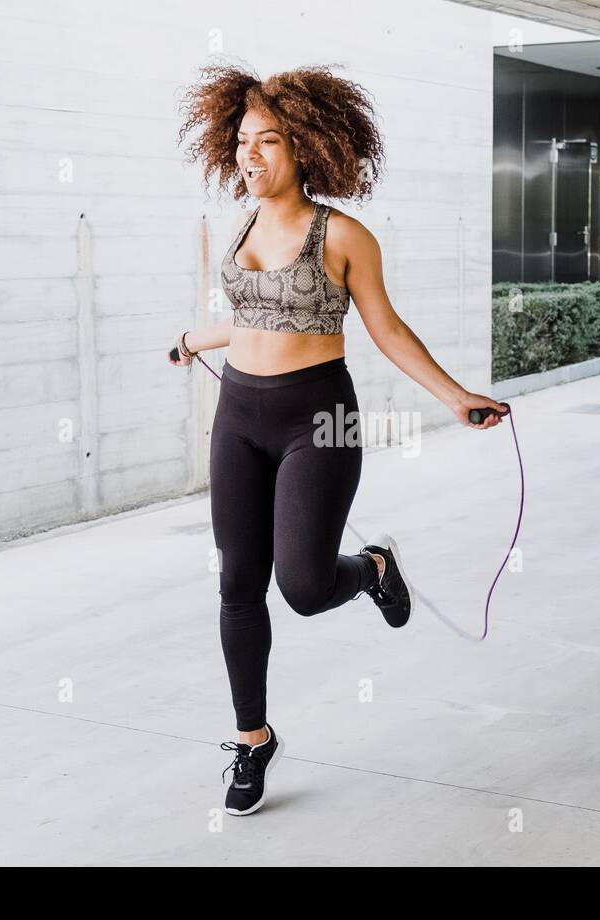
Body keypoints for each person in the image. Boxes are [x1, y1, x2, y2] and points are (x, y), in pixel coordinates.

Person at [172, 62, 507, 815]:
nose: (249, 158)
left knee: (302, 587)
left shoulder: (343, 234)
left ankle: (374, 567)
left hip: (317, 418)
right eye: (241, 143)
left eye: (268, 142)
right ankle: (252, 739)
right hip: (240, 418)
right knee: (237, 583)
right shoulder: (246, 221)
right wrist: (195, 337)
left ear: (310, 146)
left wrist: (455, 398)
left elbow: (384, 328)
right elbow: (258, 313)